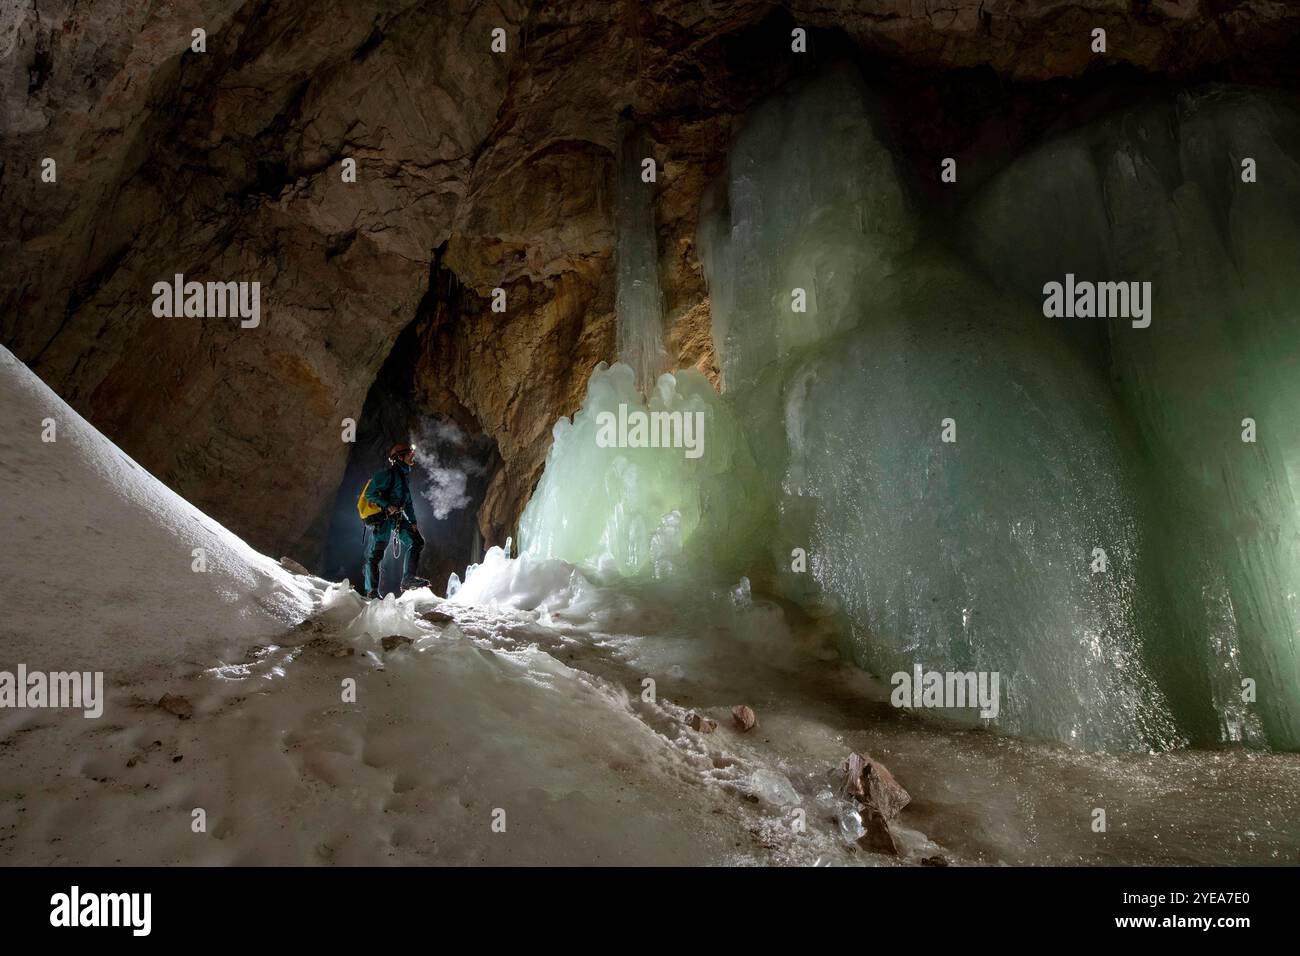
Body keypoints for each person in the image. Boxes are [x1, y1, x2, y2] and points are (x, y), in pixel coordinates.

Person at [359, 442, 429, 598]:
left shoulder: (404, 478)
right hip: (383, 519)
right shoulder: (386, 476)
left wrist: (412, 521)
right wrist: (387, 505)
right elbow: (370, 493)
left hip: (397, 518)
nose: (412, 456)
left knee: (417, 541)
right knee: (376, 555)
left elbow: (408, 501)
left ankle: (408, 579)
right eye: (409, 454)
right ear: (399, 457)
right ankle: (372, 592)